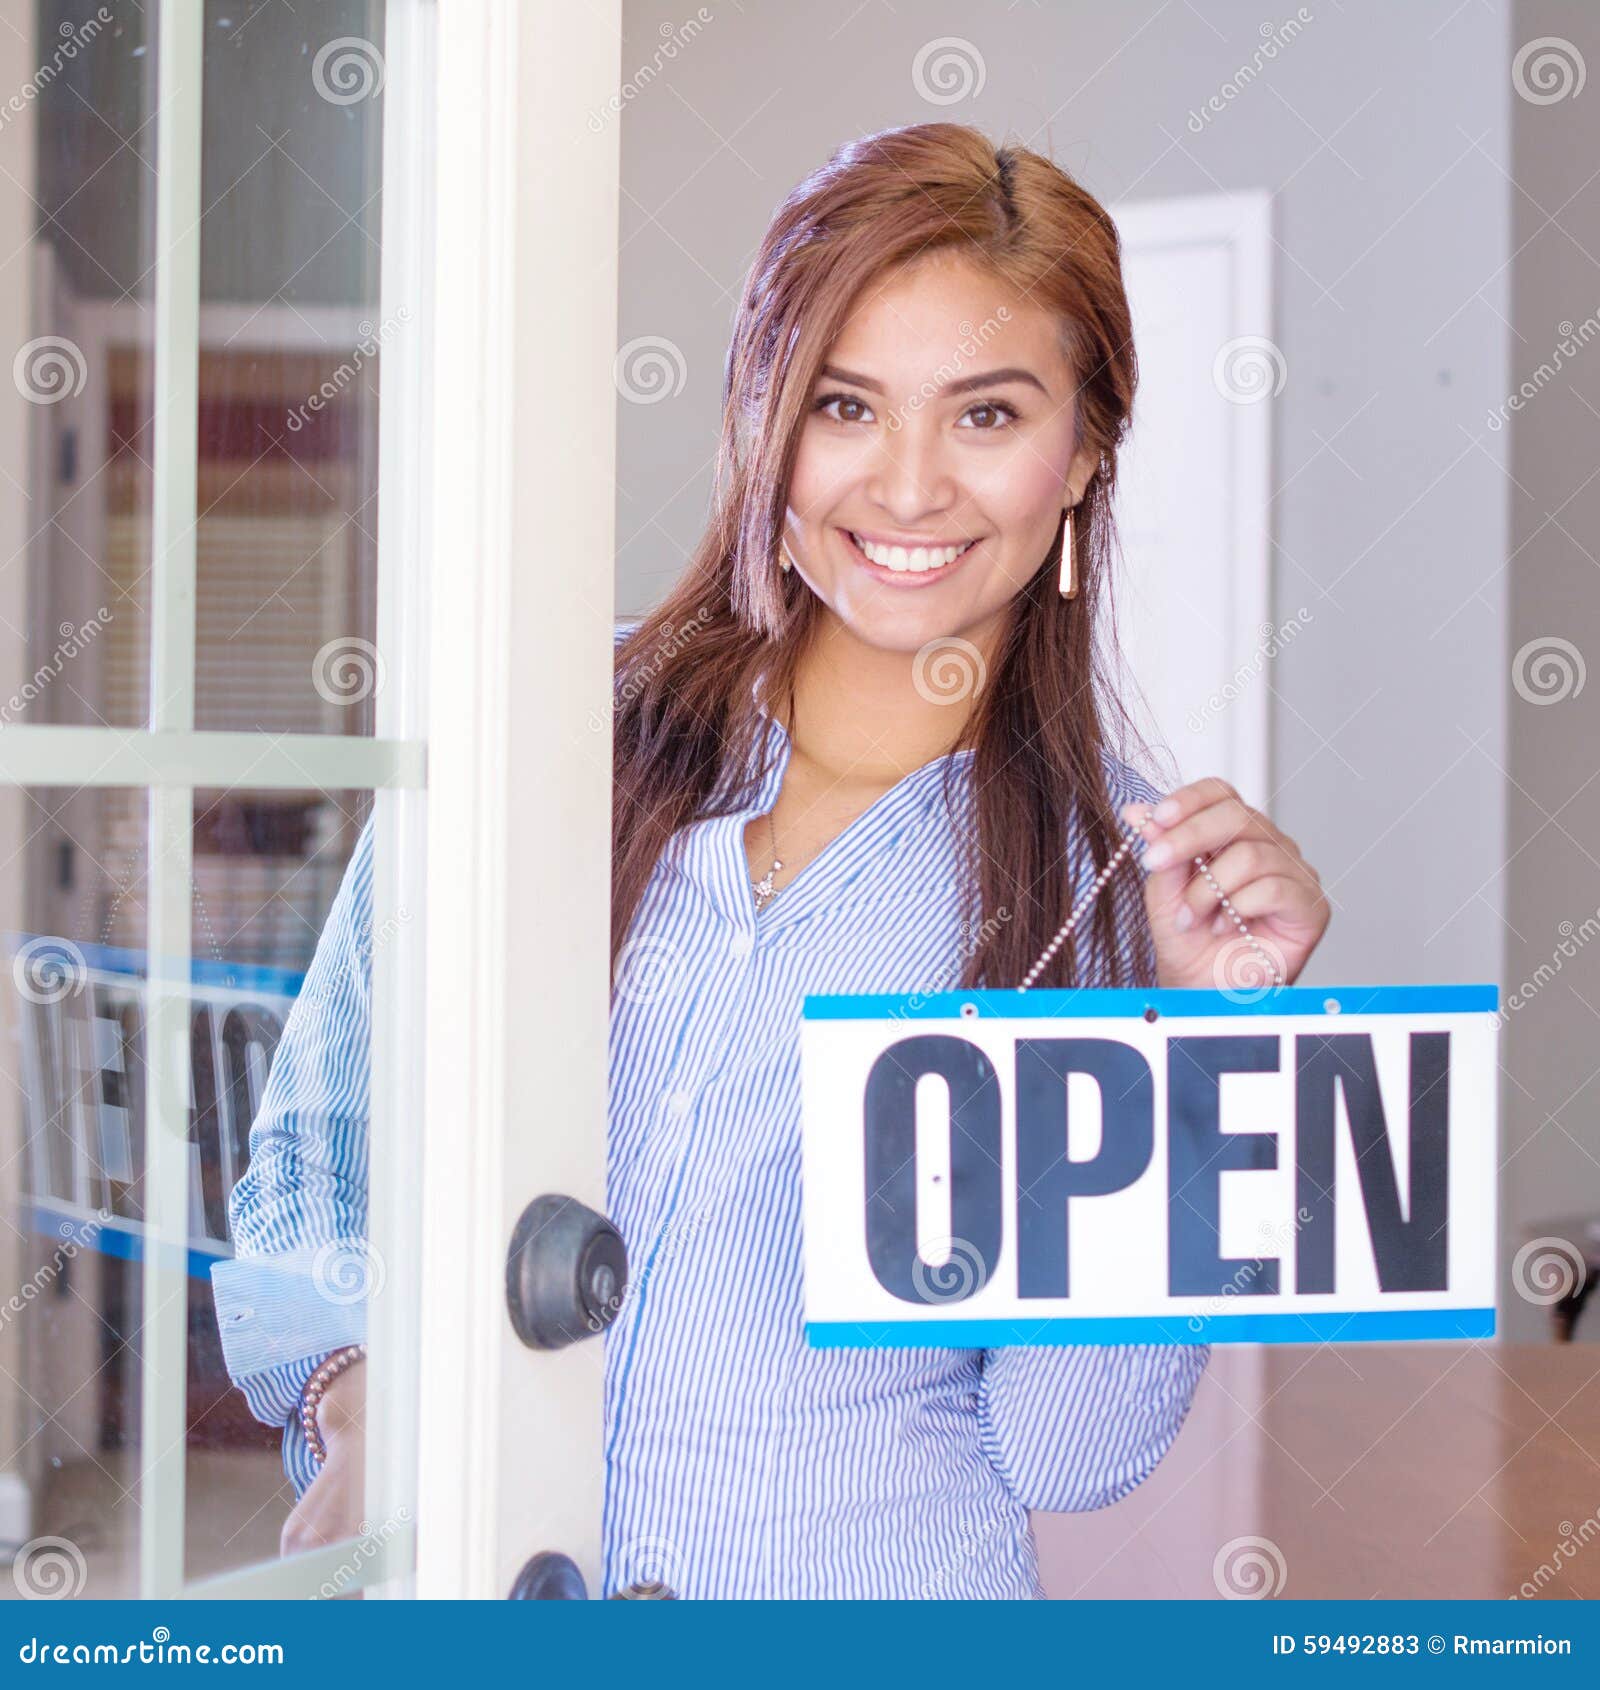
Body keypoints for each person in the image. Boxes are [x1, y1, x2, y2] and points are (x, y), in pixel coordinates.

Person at [213, 121, 1331, 1599]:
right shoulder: (546, 731)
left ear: (1084, 454)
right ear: (763, 412)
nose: (910, 486)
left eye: (988, 415)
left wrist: (1193, 1043)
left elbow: (1068, 1449)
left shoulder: (1128, 886)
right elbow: (318, 1137)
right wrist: (362, 1400)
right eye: (847, 405)